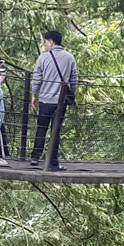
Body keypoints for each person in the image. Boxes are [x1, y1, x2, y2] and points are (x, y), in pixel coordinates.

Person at [28, 29, 78, 170]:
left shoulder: (43, 58)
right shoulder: (70, 58)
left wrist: (33, 94)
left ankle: (35, 157)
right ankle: (53, 162)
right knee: (55, 131)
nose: (45, 45)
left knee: (41, 129)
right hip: (60, 102)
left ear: (51, 41)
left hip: (44, 100)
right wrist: (72, 95)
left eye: (45, 42)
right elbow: (74, 79)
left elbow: (37, 77)